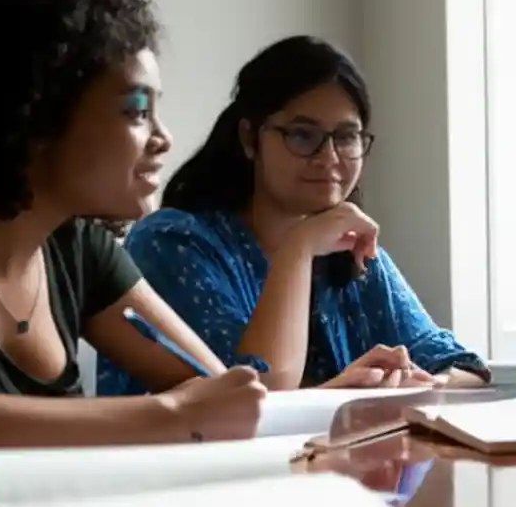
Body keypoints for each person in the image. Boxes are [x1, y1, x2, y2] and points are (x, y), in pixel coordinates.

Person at [0, 0, 264, 450]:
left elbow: (214, 389)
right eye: (137, 111)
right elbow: (183, 408)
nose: (163, 138)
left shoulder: (78, 248)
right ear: (36, 114)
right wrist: (165, 416)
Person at [97, 36, 489, 394]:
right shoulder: (172, 242)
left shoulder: (356, 256)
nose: (330, 158)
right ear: (250, 139)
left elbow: (464, 369)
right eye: (303, 135)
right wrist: (299, 248)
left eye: (347, 137)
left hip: (328, 470)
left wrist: (421, 384)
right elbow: (253, 390)